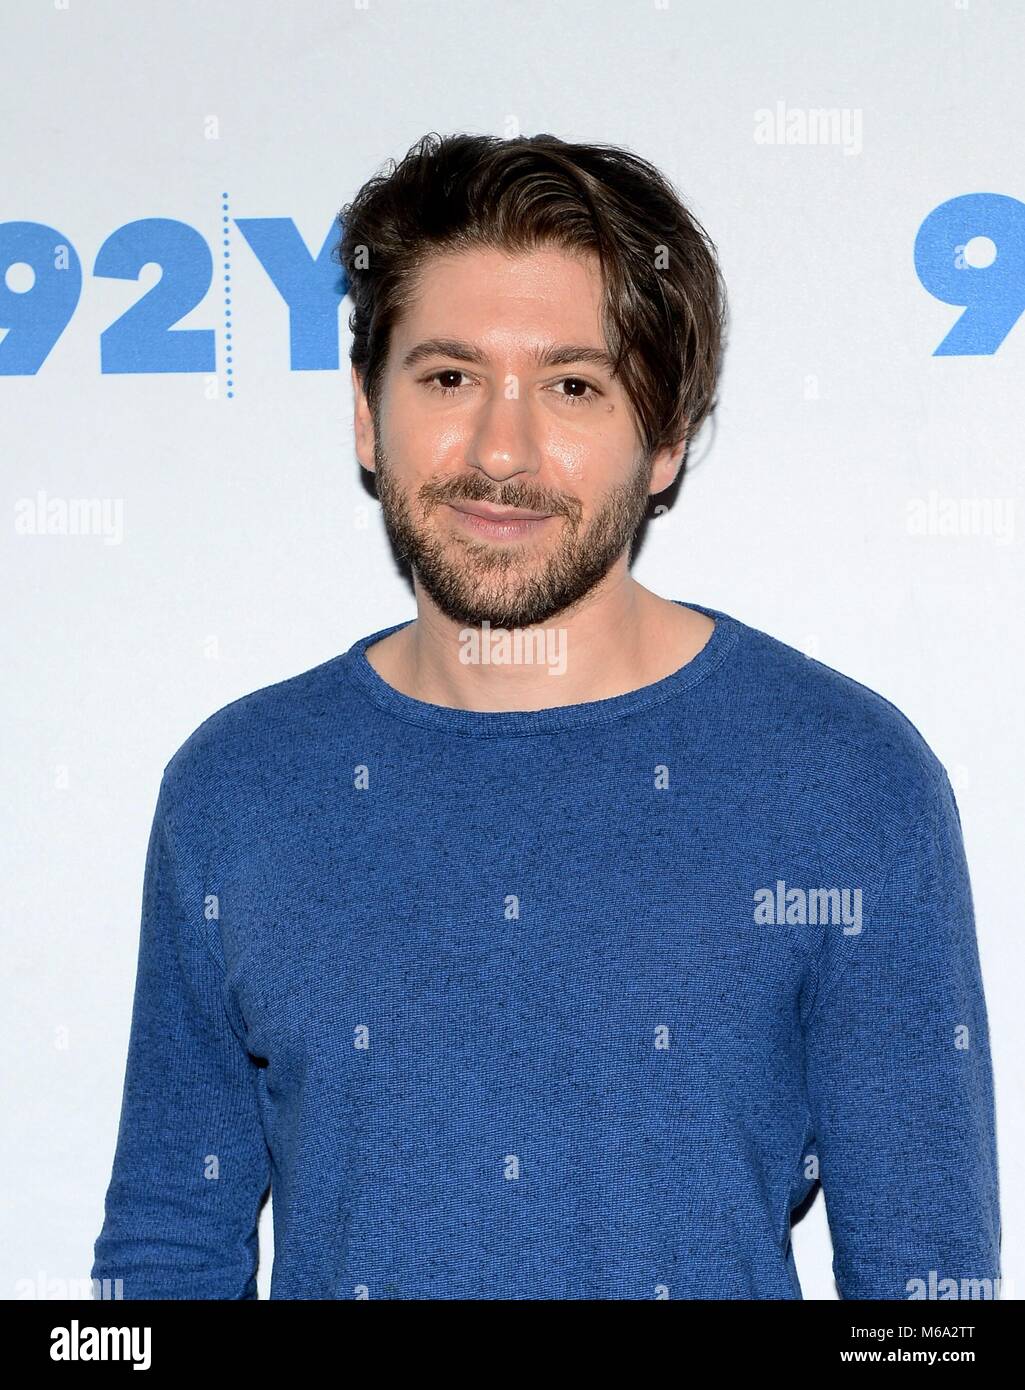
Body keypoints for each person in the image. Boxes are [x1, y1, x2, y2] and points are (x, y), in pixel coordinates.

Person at [91, 132, 1000, 1300]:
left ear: (664, 439)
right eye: (447, 377)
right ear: (367, 417)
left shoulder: (846, 780)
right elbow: (164, 1256)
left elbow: (929, 1295)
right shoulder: (238, 789)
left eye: (572, 385)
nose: (498, 449)